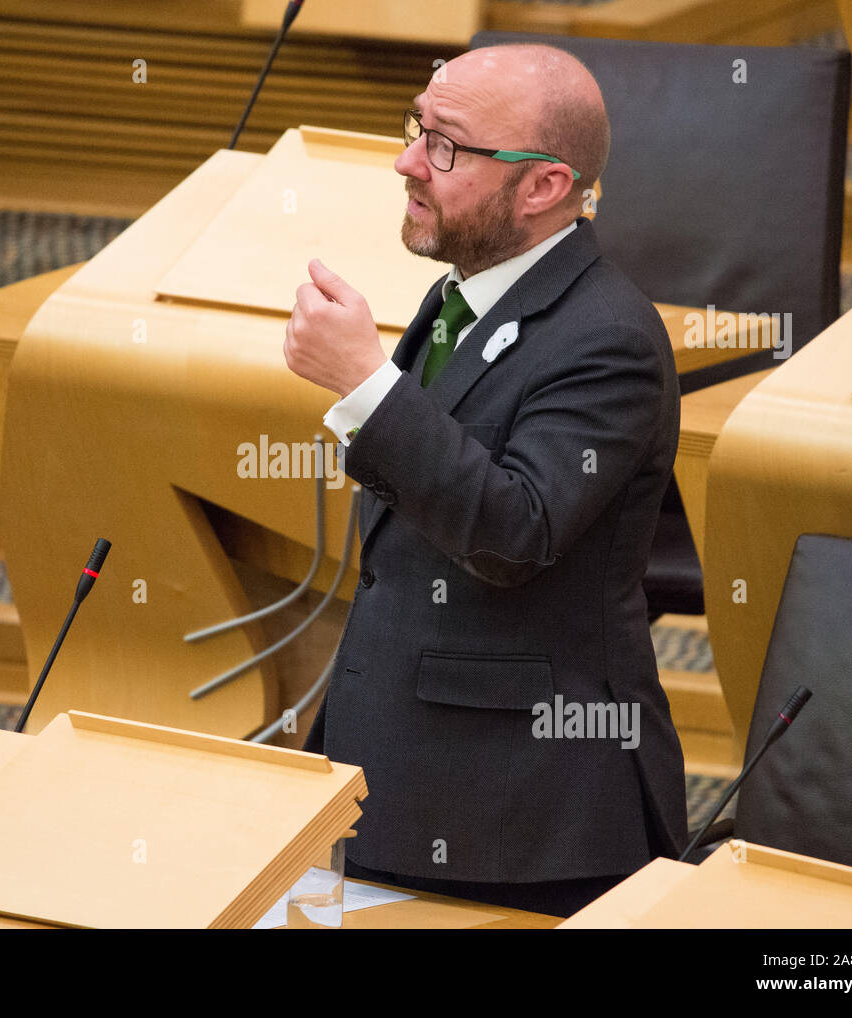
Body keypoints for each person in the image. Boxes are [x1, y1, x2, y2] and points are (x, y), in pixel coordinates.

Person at [283, 43, 688, 918]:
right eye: (416, 129)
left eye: (446, 146)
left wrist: (365, 385)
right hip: (402, 766)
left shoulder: (608, 339)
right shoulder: (465, 295)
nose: (407, 162)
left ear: (542, 186)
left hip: (520, 817)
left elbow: (516, 534)